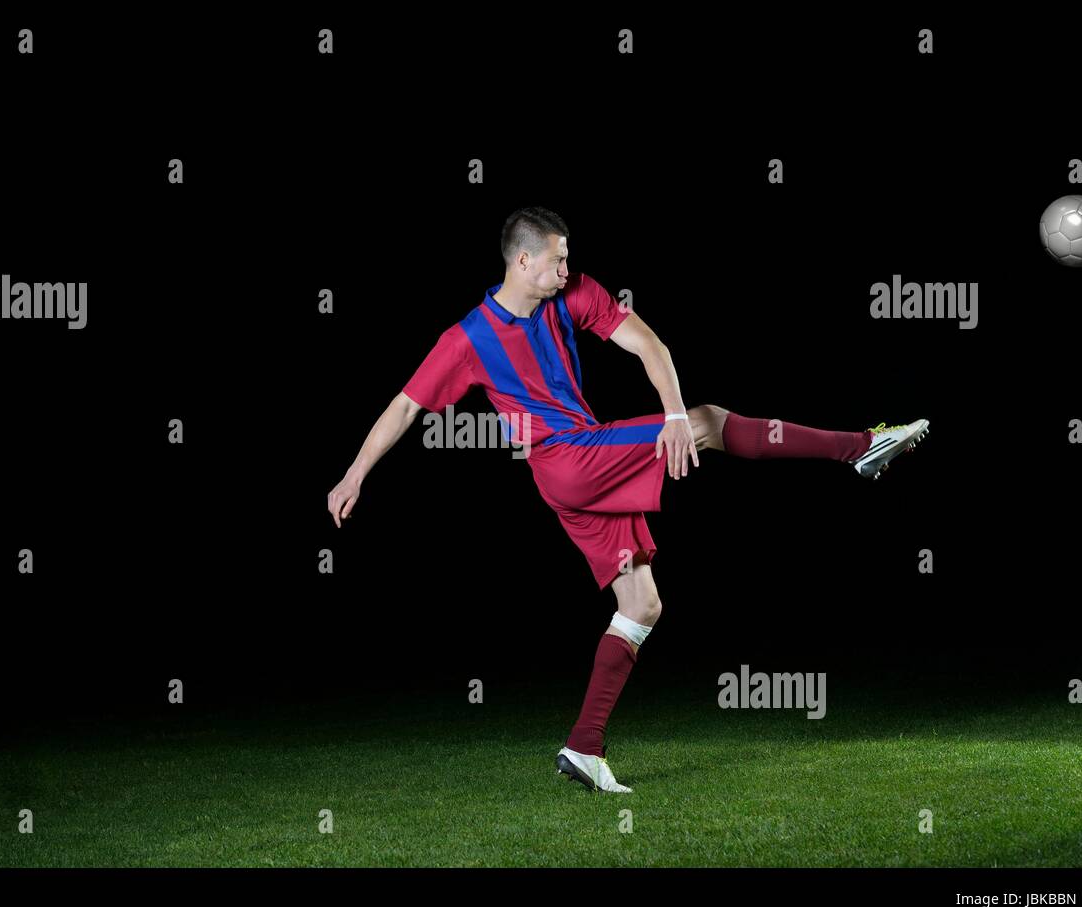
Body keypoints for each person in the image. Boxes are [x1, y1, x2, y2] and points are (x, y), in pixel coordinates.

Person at [327, 206, 928, 793]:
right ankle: (858, 447)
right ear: (524, 259)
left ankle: (584, 748)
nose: (568, 270)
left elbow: (650, 346)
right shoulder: (467, 339)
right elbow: (406, 404)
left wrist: (669, 412)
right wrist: (355, 474)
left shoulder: (577, 294)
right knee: (710, 422)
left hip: (571, 485)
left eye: (569, 261)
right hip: (569, 461)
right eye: (558, 262)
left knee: (641, 606)